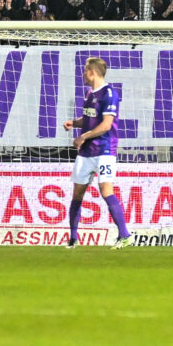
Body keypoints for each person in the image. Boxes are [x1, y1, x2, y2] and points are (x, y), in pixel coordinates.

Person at [60, 56, 130, 247]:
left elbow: (106, 125)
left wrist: (83, 136)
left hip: (105, 150)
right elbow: (89, 119)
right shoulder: (89, 93)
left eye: (85, 70)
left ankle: (124, 235)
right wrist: (74, 123)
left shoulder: (109, 94)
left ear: (92, 72)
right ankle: (73, 239)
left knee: (106, 189)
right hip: (86, 153)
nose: (83, 74)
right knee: (77, 193)